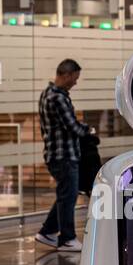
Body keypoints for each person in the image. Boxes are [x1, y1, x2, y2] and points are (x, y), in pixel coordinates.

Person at [36, 59, 96, 253]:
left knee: (66, 194)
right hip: (63, 155)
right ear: (67, 75)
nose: (76, 83)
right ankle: (67, 238)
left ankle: (48, 231)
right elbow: (73, 127)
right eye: (75, 78)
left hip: (56, 154)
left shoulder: (48, 93)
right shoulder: (58, 98)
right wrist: (89, 130)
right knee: (68, 196)